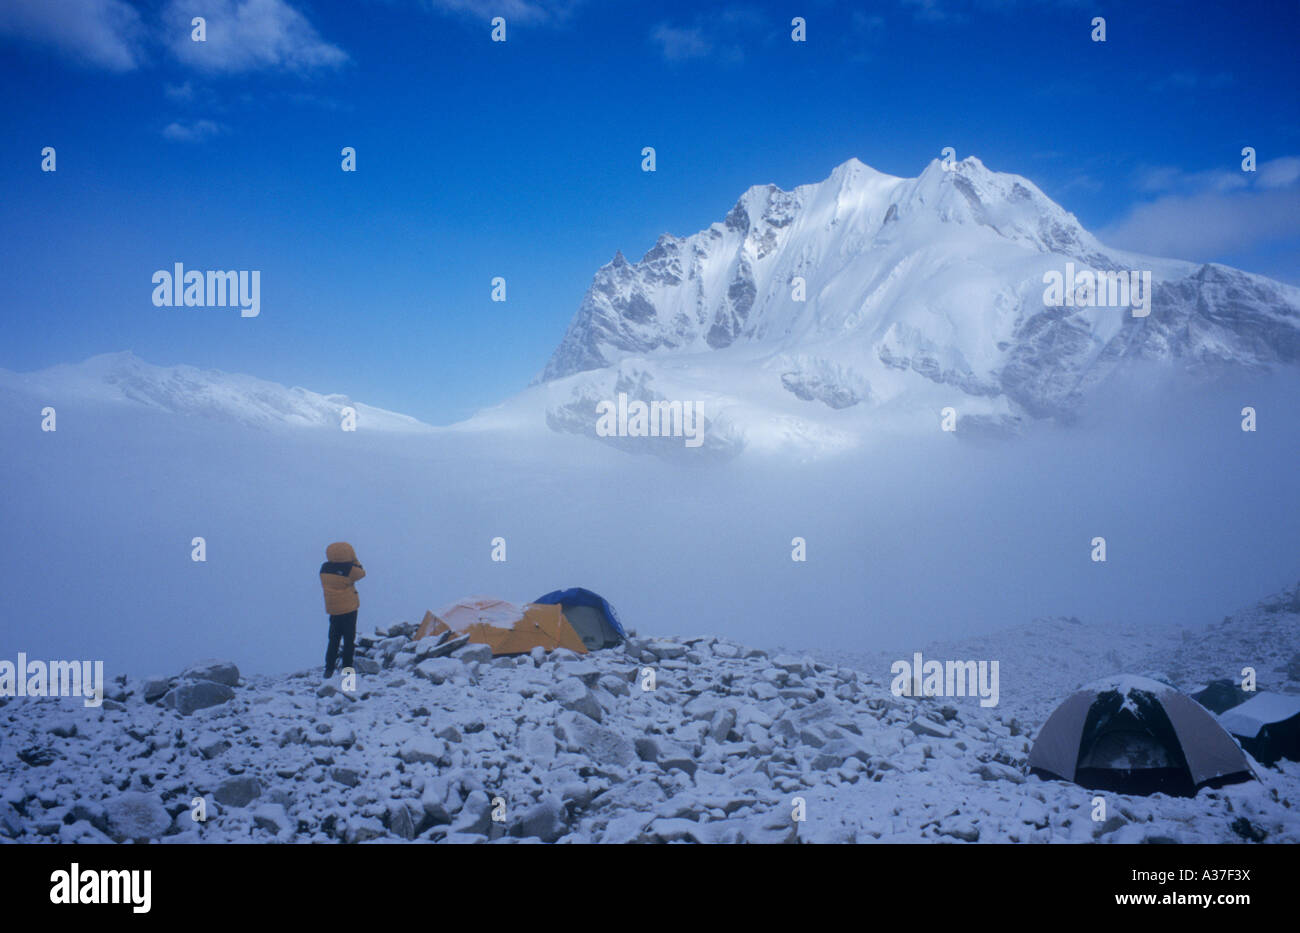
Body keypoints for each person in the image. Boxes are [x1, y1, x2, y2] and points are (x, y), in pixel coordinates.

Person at [319, 541, 365, 679]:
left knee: (333, 639)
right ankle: (347, 673)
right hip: (349, 609)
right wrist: (354, 559)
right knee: (348, 641)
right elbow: (362, 573)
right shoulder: (349, 570)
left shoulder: (324, 568)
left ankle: (329, 669)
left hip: (333, 609)